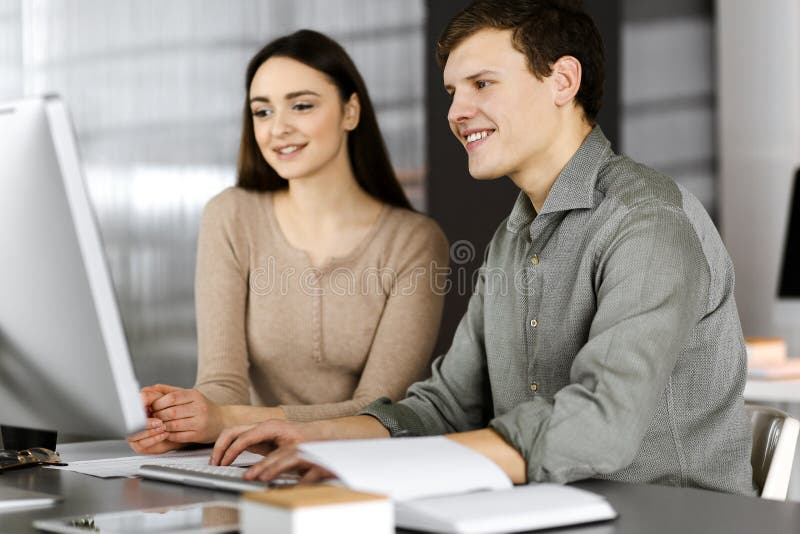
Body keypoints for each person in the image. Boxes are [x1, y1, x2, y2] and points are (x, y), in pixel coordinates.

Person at [209, 0, 755, 496]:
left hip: (672, 518)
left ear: (562, 80)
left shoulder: (645, 221)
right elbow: (447, 405)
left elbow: (599, 423)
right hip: (549, 508)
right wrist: (316, 437)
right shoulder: (512, 239)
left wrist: (393, 466)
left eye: (482, 84)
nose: (457, 111)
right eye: (453, 92)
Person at [127, 29, 449, 454]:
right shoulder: (231, 215)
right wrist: (179, 421)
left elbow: (380, 412)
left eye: (301, 105)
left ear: (350, 112)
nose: (278, 128)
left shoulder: (414, 242)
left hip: (362, 467)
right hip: (253, 464)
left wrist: (226, 420)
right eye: (262, 112)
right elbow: (222, 382)